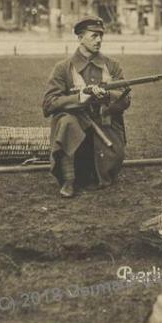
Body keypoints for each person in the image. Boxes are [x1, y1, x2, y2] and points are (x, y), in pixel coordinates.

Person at [42, 16, 131, 197]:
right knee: (67, 122)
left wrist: (107, 96)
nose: (99, 40)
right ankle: (68, 180)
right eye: (94, 36)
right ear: (80, 38)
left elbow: (126, 99)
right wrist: (79, 98)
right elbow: (49, 103)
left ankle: (97, 172)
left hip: (104, 130)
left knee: (107, 170)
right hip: (76, 134)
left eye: (101, 35)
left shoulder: (112, 66)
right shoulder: (63, 68)